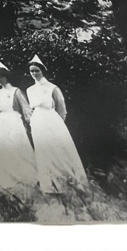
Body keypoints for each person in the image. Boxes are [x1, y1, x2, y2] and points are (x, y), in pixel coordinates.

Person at [26, 55, 88, 193]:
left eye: (37, 70)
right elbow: (31, 109)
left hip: (52, 122)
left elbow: (62, 109)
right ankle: (49, 185)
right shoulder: (29, 90)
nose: (34, 74)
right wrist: (33, 121)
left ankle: (67, 182)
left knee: (58, 150)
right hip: (37, 123)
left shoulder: (52, 88)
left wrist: (57, 125)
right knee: (43, 152)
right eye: (32, 71)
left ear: (42, 71)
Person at [0, 60, 38, 197]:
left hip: (14, 123)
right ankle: (6, 184)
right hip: (0, 124)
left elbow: (26, 109)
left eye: (1, 76)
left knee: (19, 151)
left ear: (7, 76)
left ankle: (25, 182)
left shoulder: (16, 91)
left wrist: (34, 123)